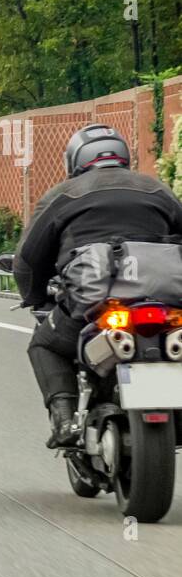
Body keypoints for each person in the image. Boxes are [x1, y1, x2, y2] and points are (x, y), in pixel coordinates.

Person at [15, 123, 182, 447]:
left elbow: (30, 259)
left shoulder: (63, 195)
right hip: (164, 300)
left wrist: (35, 298)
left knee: (44, 344)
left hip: (94, 301)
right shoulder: (157, 189)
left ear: (75, 160)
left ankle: (65, 421)